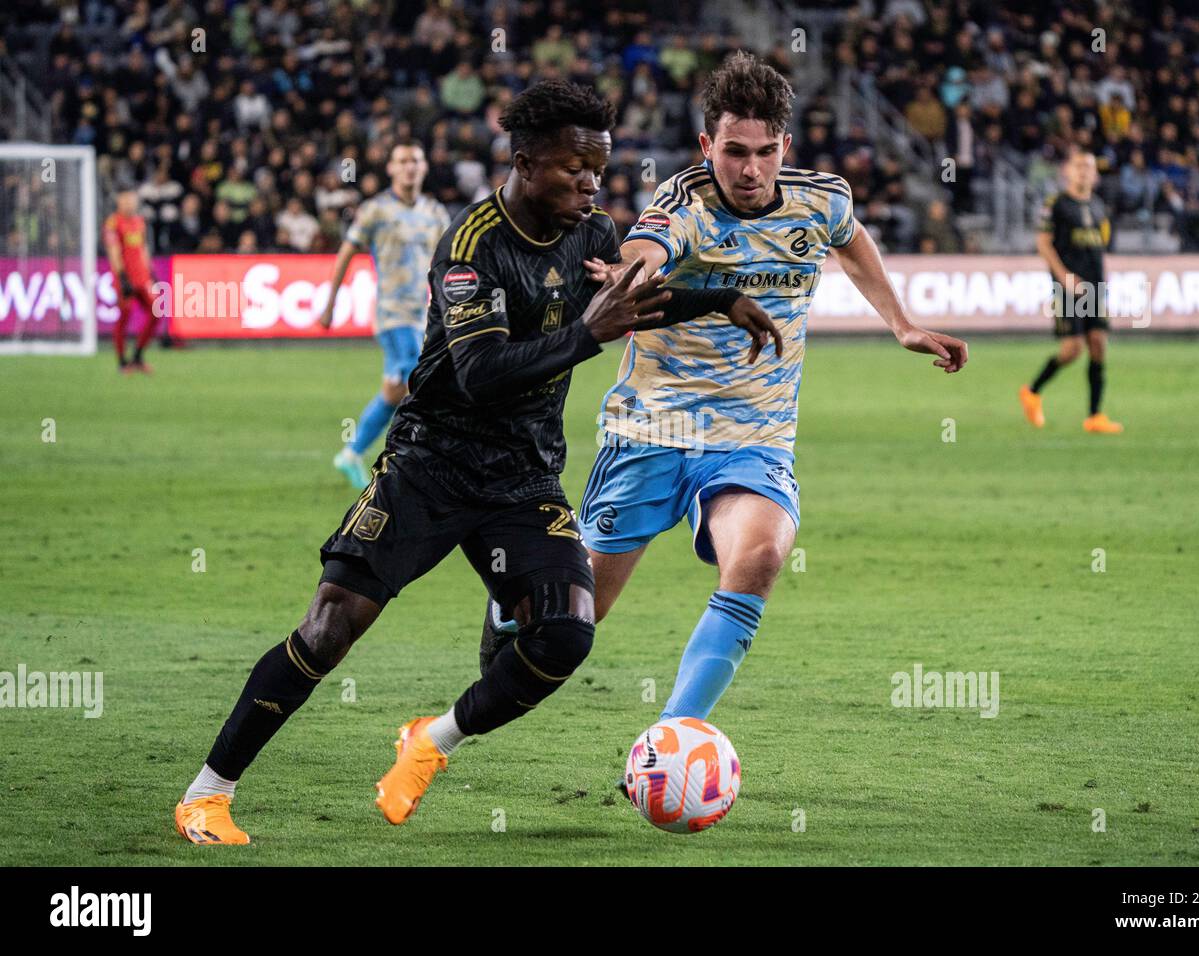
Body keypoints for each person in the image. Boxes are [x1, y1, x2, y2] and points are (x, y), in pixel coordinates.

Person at [173, 80, 779, 844]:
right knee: (329, 630)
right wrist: (588, 334)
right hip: (432, 464)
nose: (592, 187)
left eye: (600, 169)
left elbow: (635, 295)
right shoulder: (471, 247)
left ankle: (430, 742)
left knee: (564, 636)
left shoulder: (589, 232)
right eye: (573, 170)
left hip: (523, 476)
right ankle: (207, 793)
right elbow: (481, 372)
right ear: (525, 163)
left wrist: (720, 298)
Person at [483, 52, 967, 738]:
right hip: (654, 428)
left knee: (762, 555)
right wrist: (625, 269)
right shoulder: (682, 204)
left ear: (785, 148)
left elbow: (851, 241)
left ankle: (675, 737)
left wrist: (903, 324)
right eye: (733, 151)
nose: (750, 169)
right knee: (570, 620)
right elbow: (646, 251)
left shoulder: (821, 198)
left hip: (753, 434)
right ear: (707, 145)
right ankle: (512, 611)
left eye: (765, 152)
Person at [319, 140, 451, 489]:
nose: (409, 166)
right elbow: (347, 251)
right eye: (402, 160)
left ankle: (352, 453)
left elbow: (447, 264)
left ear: (424, 168)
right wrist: (330, 302)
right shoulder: (376, 210)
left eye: (415, 160)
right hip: (393, 315)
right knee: (420, 382)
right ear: (391, 168)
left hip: (423, 316)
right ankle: (424, 461)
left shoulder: (435, 213)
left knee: (394, 392)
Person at [1019, 150, 1123, 433]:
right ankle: (1032, 391)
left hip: (1095, 285)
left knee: (1099, 344)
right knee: (1072, 349)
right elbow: (1043, 243)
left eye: (1089, 167)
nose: (1084, 172)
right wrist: (1063, 276)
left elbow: (1098, 248)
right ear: (1067, 171)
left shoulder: (1099, 207)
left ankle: (1095, 416)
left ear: (1096, 175)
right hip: (1068, 286)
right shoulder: (1056, 205)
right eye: (1079, 166)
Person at [103, 190, 162, 373]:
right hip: (125, 279)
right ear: (119, 200)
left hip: (142, 278)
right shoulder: (113, 223)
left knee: (157, 313)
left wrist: (151, 273)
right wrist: (121, 277)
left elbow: (143, 248)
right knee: (124, 316)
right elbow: (113, 251)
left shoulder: (139, 222)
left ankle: (137, 356)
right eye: (125, 199)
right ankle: (122, 362)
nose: (129, 203)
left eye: (132, 199)